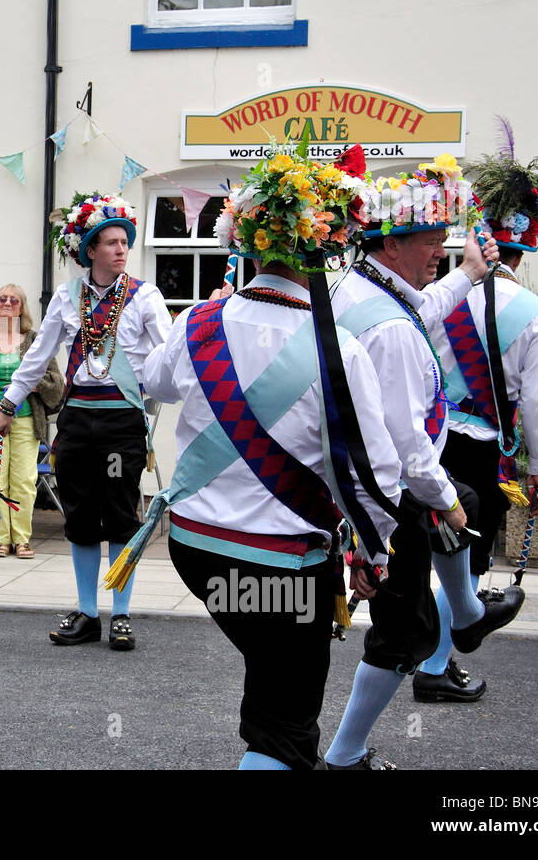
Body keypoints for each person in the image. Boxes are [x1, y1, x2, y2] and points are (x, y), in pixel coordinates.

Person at [134, 144, 402, 769]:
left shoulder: (197, 322)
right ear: (330, 247)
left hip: (196, 549)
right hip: (280, 562)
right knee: (285, 725)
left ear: (246, 241)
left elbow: (154, 384)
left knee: (271, 673)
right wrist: (373, 548)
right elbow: (376, 472)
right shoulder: (339, 350)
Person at [324, 156, 522, 769]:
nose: (441, 249)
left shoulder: (353, 288)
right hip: (381, 495)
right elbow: (410, 450)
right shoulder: (391, 329)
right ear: (395, 243)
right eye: (435, 240)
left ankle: (465, 611)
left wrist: (466, 273)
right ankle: (344, 754)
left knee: (469, 500)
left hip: (356, 478)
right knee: (404, 631)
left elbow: (419, 310)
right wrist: (447, 502)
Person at [418, 124, 538, 702]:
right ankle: (433, 665)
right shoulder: (537, 313)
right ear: (525, 247)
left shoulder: (441, 291)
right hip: (482, 445)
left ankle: (422, 657)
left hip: (429, 441)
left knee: (433, 550)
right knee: (466, 561)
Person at [0, 192, 171, 651]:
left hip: (121, 422)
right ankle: (89, 613)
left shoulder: (144, 295)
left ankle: (123, 614)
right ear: (90, 251)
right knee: (80, 516)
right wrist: (8, 406)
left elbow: (169, 355)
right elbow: (37, 356)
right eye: (109, 243)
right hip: (75, 421)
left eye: (124, 242)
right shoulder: (67, 298)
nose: (120, 249)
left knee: (120, 515)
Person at [0, 284, 62, 559]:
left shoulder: (34, 340)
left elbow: (57, 384)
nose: (7, 303)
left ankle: (22, 539)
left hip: (25, 419)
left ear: (22, 307)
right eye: (1, 299)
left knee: (23, 481)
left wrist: (34, 385)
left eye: (14, 300)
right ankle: (3, 539)